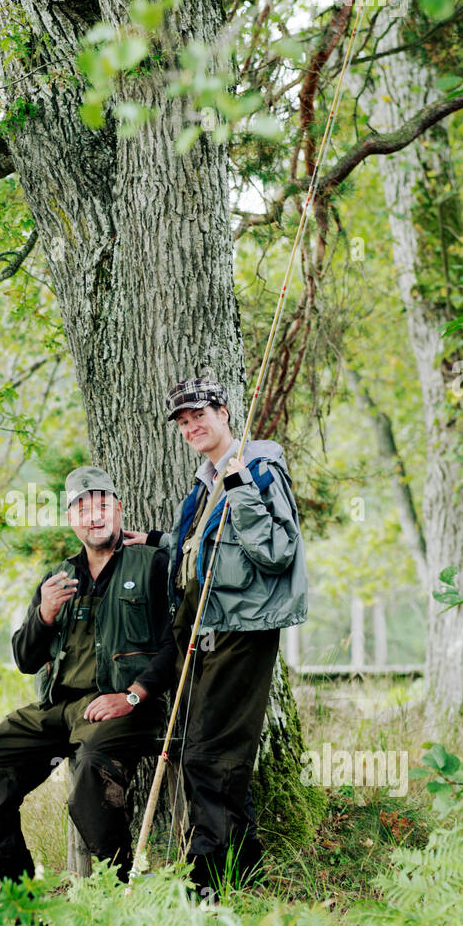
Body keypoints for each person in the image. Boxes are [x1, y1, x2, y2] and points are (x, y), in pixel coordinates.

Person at [123, 377, 307, 897]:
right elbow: (207, 547)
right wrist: (162, 541)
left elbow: (278, 551)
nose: (191, 427)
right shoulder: (205, 479)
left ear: (224, 411)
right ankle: (243, 868)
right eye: (182, 422)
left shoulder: (260, 469)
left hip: (239, 627)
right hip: (201, 625)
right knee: (207, 749)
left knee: (210, 753)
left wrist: (242, 485)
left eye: (198, 415)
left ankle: (206, 879)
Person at [0, 466, 176, 886]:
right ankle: (17, 894)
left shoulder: (153, 564)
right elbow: (24, 657)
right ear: (72, 520)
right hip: (57, 710)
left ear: (118, 508)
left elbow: (176, 644)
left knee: (92, 775)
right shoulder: (58, 577)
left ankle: (121, 887)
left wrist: (133, 695)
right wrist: (44, 615)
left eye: (102, 505)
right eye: (82, 508)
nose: (94, 516)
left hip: (125, 707)